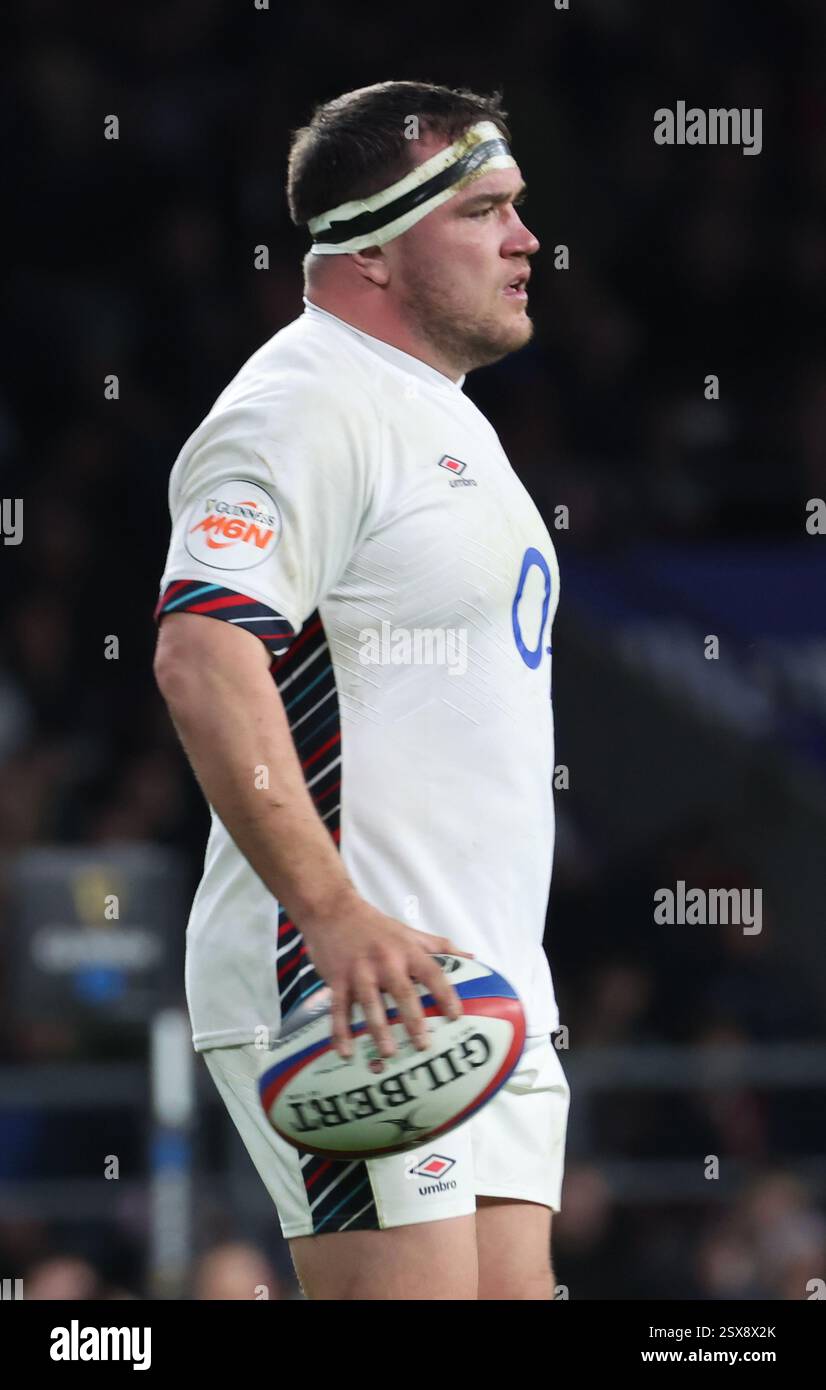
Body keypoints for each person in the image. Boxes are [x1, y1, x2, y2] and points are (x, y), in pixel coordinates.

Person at [153, 80, 569, 1300]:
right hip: (343, 974)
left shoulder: (442, 418)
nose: (525, 238)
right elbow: (201, 653)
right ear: (376, 249)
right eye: (485, 211)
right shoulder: (303, 405)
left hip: (480, 979)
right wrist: (330, 915)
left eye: (519, 207)